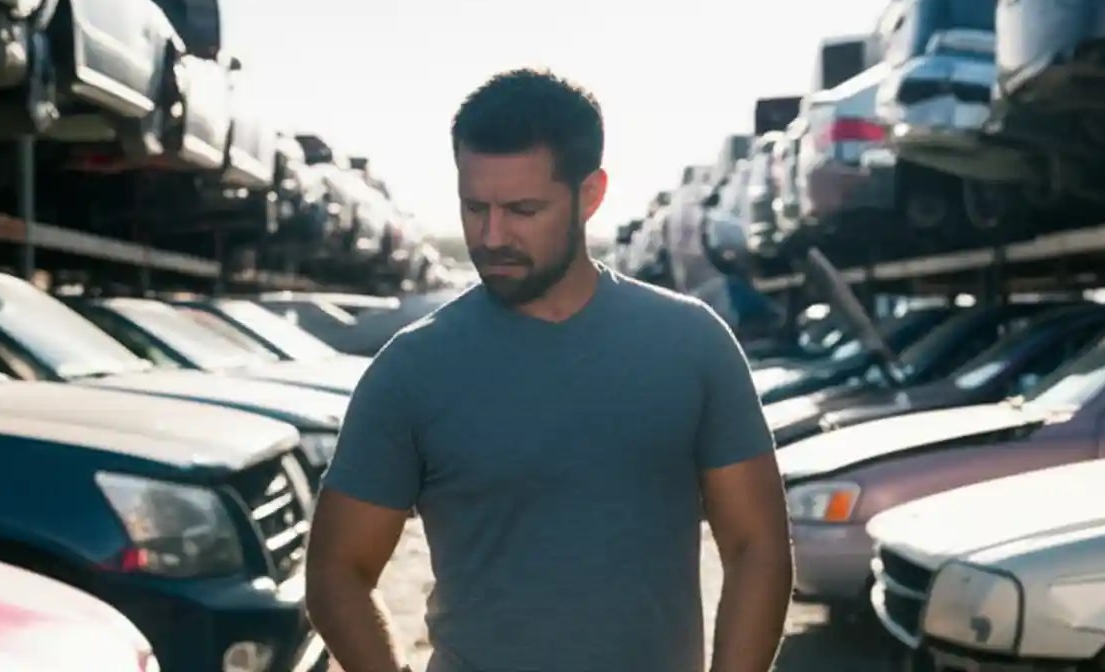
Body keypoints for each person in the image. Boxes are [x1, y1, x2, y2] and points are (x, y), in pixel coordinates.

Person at [305, 68, 793, 672]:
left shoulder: (692, 345)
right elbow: (336, 572)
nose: (492, 235)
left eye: (523, 209)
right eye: (474, 206)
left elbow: (758, 548)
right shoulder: (412, 368)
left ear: (590, 195)